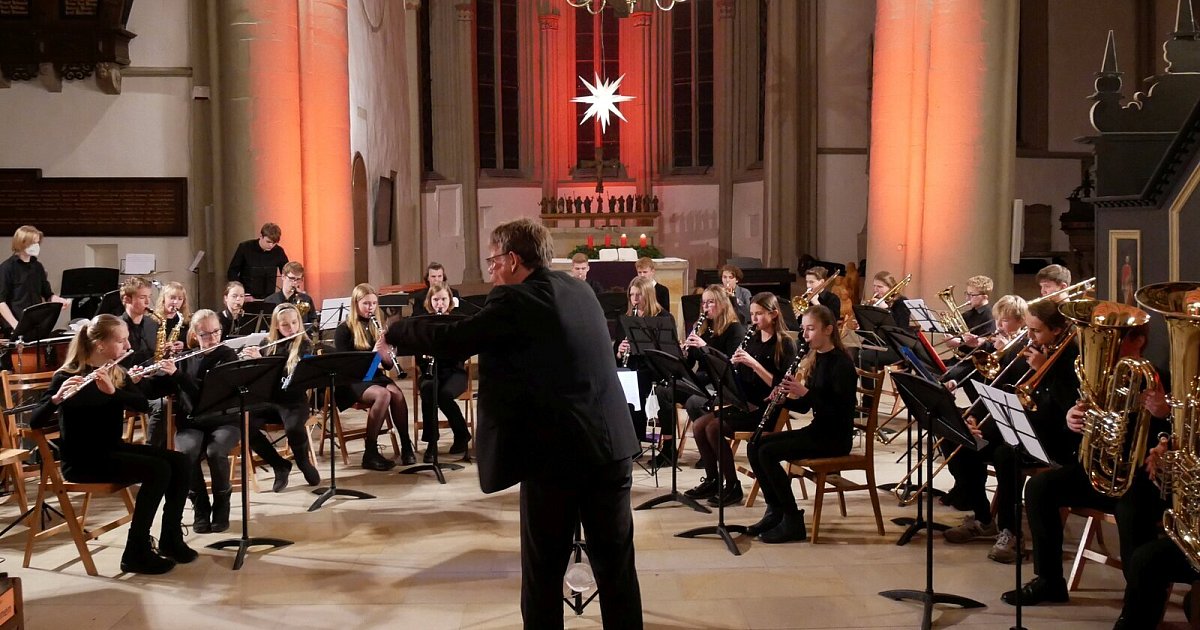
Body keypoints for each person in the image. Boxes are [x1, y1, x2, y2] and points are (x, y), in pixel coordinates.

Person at [384, 217, 642, 630]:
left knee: (543, 574)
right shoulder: (579, 290)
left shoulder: (516, 301)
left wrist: (397, 330)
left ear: (514, 259)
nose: (491, 270)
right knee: (617, 570)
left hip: (557, 457)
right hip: (611, 448)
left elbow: (457, 336)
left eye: (493, 261)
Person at [1002, 323, 1169, 607]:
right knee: (1040, 487)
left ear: (1139, 341)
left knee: (1132, 511)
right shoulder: (1100, 377)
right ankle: (1049, 580)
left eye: (1117, 341)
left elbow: (1181, 433)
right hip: (1101, 471)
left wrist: (1164, 414)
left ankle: (1139, 600)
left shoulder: (1158, 378)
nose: (1110, 349)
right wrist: (1072, 418)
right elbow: (1081, 418)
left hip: (1140, 479)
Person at [30, 314, 193, 574]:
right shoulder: (67, 376)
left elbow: (142, 404)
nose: (128, 347)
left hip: (112, 450)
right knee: (159, 469)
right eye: (121, 341)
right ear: (100, 345)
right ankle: (136, 550)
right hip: (84, 461)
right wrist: (56, 400)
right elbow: (34, 422)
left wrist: (114, 392)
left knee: (179, 461)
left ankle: (170, 538)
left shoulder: (115, 372)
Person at [942, 299, 1080, 564]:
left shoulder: (1071, 358)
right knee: (958, 439)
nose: (1029, 336)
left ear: (1057, 331)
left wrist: (1043, 370)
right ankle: (983, 518)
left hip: (1053, 439)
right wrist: (973, 416)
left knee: (1007, 455)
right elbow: (1001, 388)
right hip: (1020, 428)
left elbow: (1068, 406)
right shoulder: (1031, 347)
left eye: (1036, 330)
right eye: (1028, 328)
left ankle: (1011, 531)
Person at [743, 305, 856, 543]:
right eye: (803, 329)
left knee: (767, 452)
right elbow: (806, 407)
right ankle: (776, 511)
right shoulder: (817, 358)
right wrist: (783, 399)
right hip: (818, 432)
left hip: (834, 439)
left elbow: (837, 412)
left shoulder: (842, 364)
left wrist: (804, 392)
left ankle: (792, 520)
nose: (804, 336)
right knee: (755, 445)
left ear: (828, 329)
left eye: (811, 329)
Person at [685, 292, 796, 507]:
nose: (754, 319)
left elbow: (782, 386)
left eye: (759, 314)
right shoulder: (752, 339)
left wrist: (753, 364)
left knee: (713, 428)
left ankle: (733, 486)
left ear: (773, 314)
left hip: (765, 409)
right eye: (752, 314)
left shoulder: (784, 344)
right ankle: (712, 479)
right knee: (699, 425)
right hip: (745, 404)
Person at [938, 294, 1027, 511]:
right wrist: (952, 379)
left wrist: (1004, 353)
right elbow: (970, 364)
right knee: (950, 433)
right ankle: (969, 495)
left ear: (1021, 321)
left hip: (1011, 416)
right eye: (998, 319)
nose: (999, 325)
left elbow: (1012, 383)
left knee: (968, 443)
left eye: (1005, 320)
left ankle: (977, 506)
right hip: (987, 407)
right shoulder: (994, 343)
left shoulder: (1024, 346)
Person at [171, 309, 241, 534]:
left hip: (224, 420)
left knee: (215, 452)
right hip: (192, 422)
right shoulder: (184, 359)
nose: (212, 339)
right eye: (205, 334)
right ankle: (200, 506)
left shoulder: (227, 356)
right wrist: (153, 373)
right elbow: (157, 391)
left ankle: (222, 506)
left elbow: (207, 393)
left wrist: (178, 375)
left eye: (216, 332)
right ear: (194, 335)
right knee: (187, 453)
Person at [242, 303, 322, 491]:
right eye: (285, 325)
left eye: (294, 323)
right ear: (276, 326)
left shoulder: (305, 344)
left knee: (294, 427)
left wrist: (262, 360)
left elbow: (291, 375)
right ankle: (279, 465)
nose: (291, 328)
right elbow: (258, 379)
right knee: (245, 425)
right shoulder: (266, 344)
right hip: (268, 399)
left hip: (293, 400)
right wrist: (253, 363)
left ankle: (303, 463)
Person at [334, 283, 414, 470]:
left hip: (373, 375)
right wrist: (373, 352)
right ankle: (370, 452)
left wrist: (386, 353)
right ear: (356, 304)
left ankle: (406, 445)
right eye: (366, 303)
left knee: (397, 394)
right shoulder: (344, 330)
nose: (371, 308)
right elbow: (346, 366)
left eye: (374, 304)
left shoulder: (376, 327)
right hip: (352, 380)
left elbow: (385, 366)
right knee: (383, 395)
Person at [414, 283, 472, 462]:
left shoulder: (459, 322)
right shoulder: (424, 324)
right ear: (430, 302)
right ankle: (432, 443)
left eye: (443, 299)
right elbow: (417, 352)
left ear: (450, 301)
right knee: (428, 388)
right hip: (432, 372)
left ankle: (461, 434)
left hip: (455, 372)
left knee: (444, 394)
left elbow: (466, 352)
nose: (440, 303)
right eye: (436, 299)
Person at [615, 275, 675, 443]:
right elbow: (617, 348)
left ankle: (639, 440)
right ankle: (630, 441)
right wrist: (619, 351)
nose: (634, 299)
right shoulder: (626, 317)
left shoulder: (663, 317)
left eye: (638, 295)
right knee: (620, 386)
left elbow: (669, 349)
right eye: (632, 295)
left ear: (648, 295)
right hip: (633, 367)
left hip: (656, 368)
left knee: (637, 385)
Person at [0, 225, 70, 333]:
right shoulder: (7, 268)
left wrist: (59, 301)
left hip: (37, 325)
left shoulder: (37, 267)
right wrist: (16, 325)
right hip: (16, 325)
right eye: (32, 243)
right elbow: (1, 302)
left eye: (37, 242)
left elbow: (48, 294)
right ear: (21, 243)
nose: (36, 246)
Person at [226, 222, 288, 300]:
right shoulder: (245, 248)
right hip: (246, 297)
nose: (271, 246)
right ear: (261, 236)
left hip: (270, 297)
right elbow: (232, 272)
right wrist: (242, 294)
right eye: (268, 242)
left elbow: (287, 272)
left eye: (274, 243)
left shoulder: (278, 251)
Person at [946, 275, 996, 352]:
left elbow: (987, 345)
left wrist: (959, 343)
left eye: (972, 295)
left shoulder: (990, 316)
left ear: (984, 297)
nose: (967, 298)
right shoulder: (967, 315)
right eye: (967, 294)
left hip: (974, 360)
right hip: (961, 357)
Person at [263, 261, 318, 330]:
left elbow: (313, 323)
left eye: (298, 279)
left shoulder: (306, 299)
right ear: (283, 277)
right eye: (292, 278)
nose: (295, 282)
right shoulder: (269, 301)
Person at [153, 281, 191, 358]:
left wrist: (184, 345)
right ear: (163, 299)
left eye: (180, 299)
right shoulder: (152, 320)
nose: (176, 302)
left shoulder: (186, 321)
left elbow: (193, 344)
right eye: (172, 298)